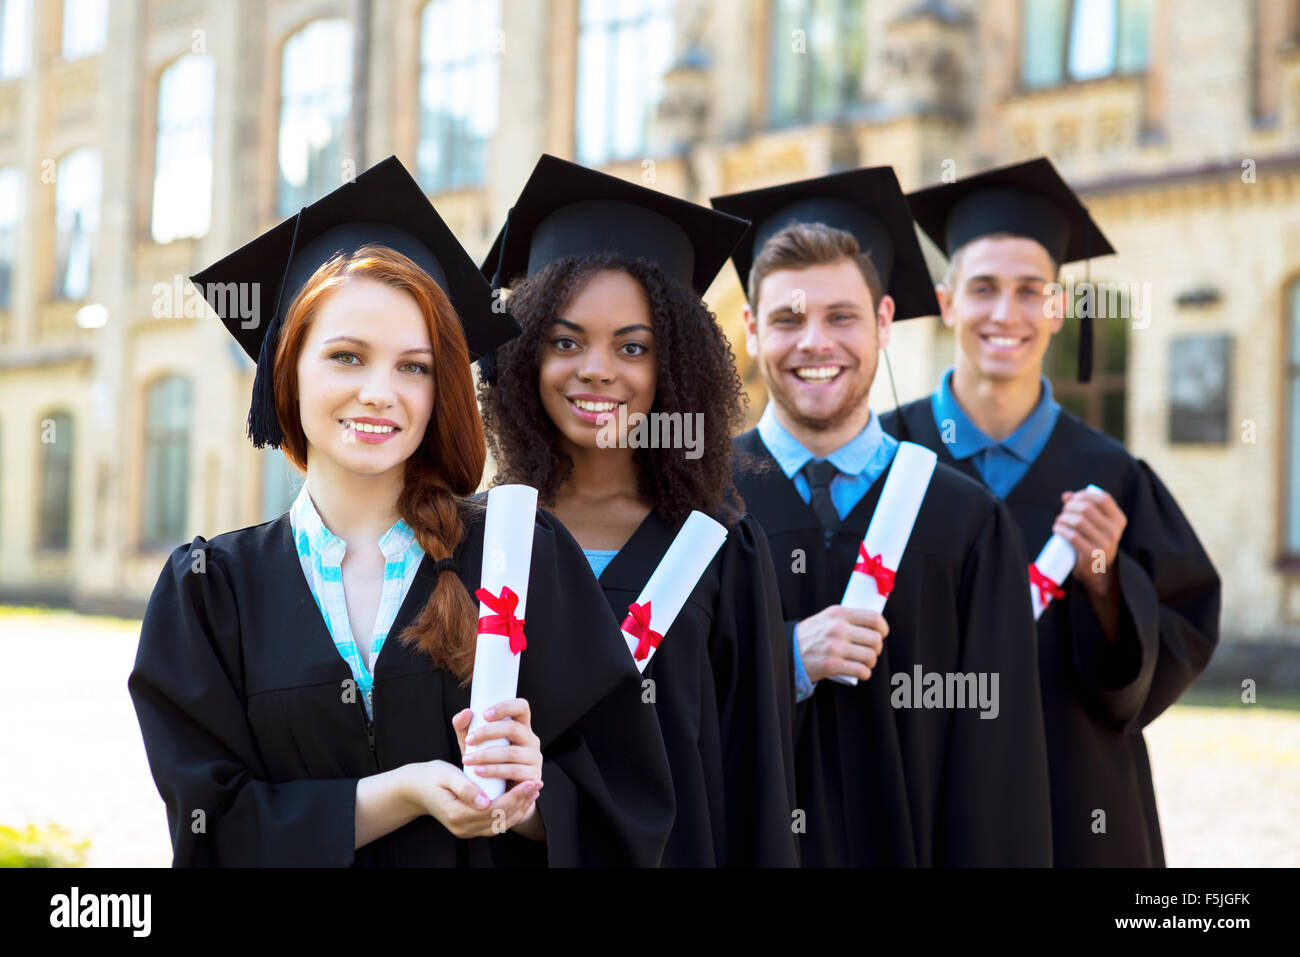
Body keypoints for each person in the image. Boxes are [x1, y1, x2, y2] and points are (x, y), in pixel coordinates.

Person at [127, 156, 675, 867]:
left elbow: (629, 806)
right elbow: (212, 832)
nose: (381, 392)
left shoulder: (518, 555)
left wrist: (530, 799)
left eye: (413, 366)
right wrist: (405, 792)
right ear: (286, 371)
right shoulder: (210, 590)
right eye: (348, 357)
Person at [713, 166, 1053, 866]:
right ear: (750, 330)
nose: (815, 342)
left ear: (885, 322)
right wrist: (786, 660)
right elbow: (656, 719)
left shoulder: (965, 521)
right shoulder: (700, 508)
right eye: (787, 319)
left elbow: (999, 766)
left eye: (841, 316)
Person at [886, 156, 1221, 866]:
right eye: (982, 289)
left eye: (1029, 291)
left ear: (1058, 308)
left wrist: (1106, 581)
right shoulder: (884, 457)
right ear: (946, 302)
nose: (1005, 313)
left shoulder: (1110, 474)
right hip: (913, 795)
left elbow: (1178, 633)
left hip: (1072, 799)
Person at [477, 154, 798, 866]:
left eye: (633, 347)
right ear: (527, 354)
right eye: (565, 341)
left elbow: (756, 786)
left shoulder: (719, 550)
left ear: (674, 367)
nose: (597, 368)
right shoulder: (479, 541)